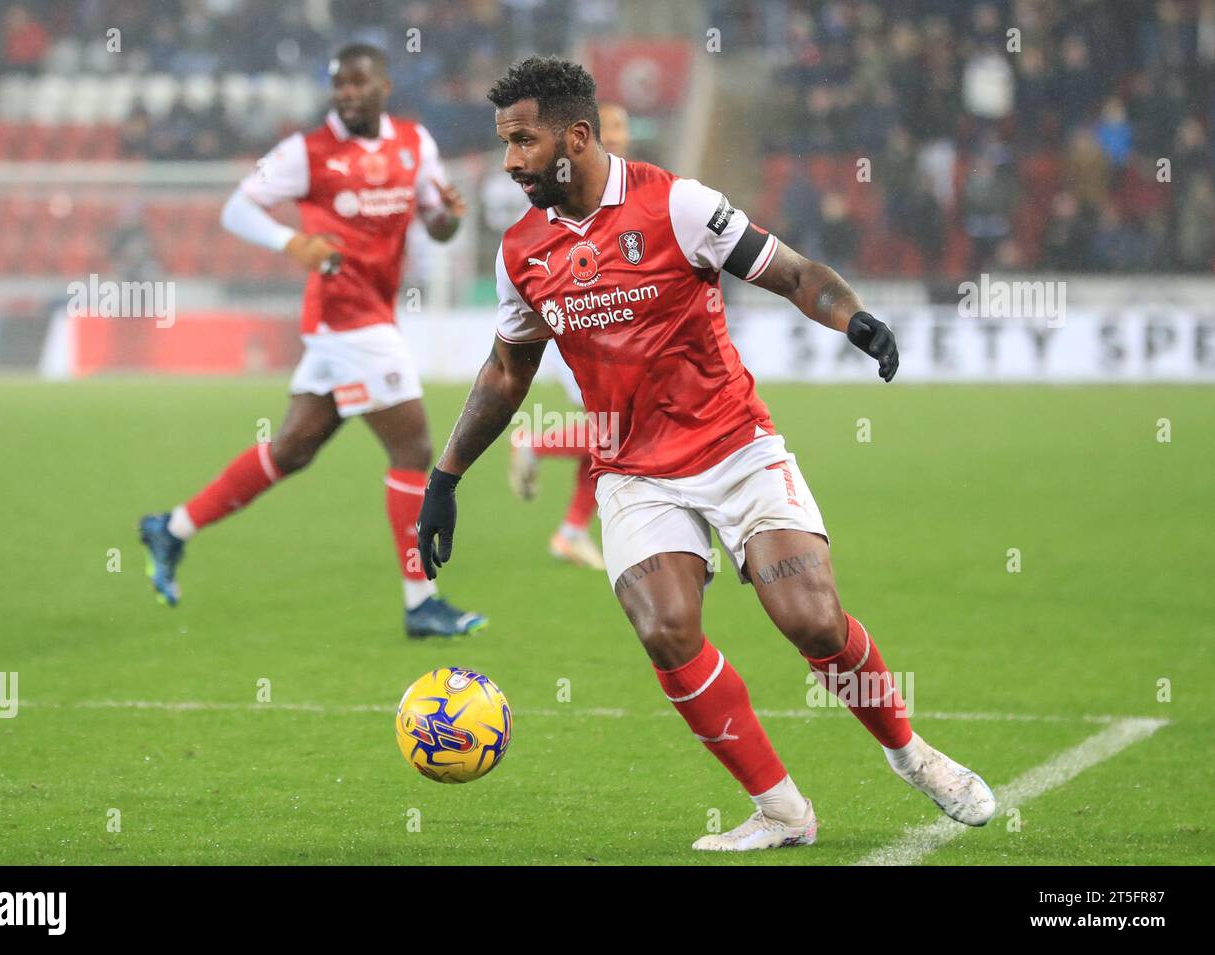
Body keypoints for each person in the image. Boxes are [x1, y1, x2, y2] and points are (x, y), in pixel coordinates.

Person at [417, 57, 996, 850]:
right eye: (506, 142)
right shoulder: (520, 251)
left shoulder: (677, 205)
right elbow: (507, 370)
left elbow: (791, 273)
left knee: (813, 619)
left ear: (575, 136)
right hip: (633, 470)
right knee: (665, 627)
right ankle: (783, 810)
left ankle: (913, 755)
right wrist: (445, 477)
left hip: (734, 445)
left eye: (523, 140)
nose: (511, 160)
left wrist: (854, 318)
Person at [139, 44, 486, 639]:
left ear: (383, 85)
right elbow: (237, 209)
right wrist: (291, 243)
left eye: (357, 83)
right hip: (347, 318)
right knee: (413, 446)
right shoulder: (308, 152)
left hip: (367, 318)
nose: (346, 94)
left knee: (293, 449)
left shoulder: (415, 143)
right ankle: (420, 601)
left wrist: (449, 217)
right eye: (337, 85)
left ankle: (171, 528)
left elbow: (439, 223)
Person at [506, 102, 631, 571]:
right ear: (588, 136)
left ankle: (571, 532)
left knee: (608, 436)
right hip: (576, 331)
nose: (618, 135)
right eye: (610, 127)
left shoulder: (629, 190)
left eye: (622, 127)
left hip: (612, 336)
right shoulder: (568, 191)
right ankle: (534, 442)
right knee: (615, 430)